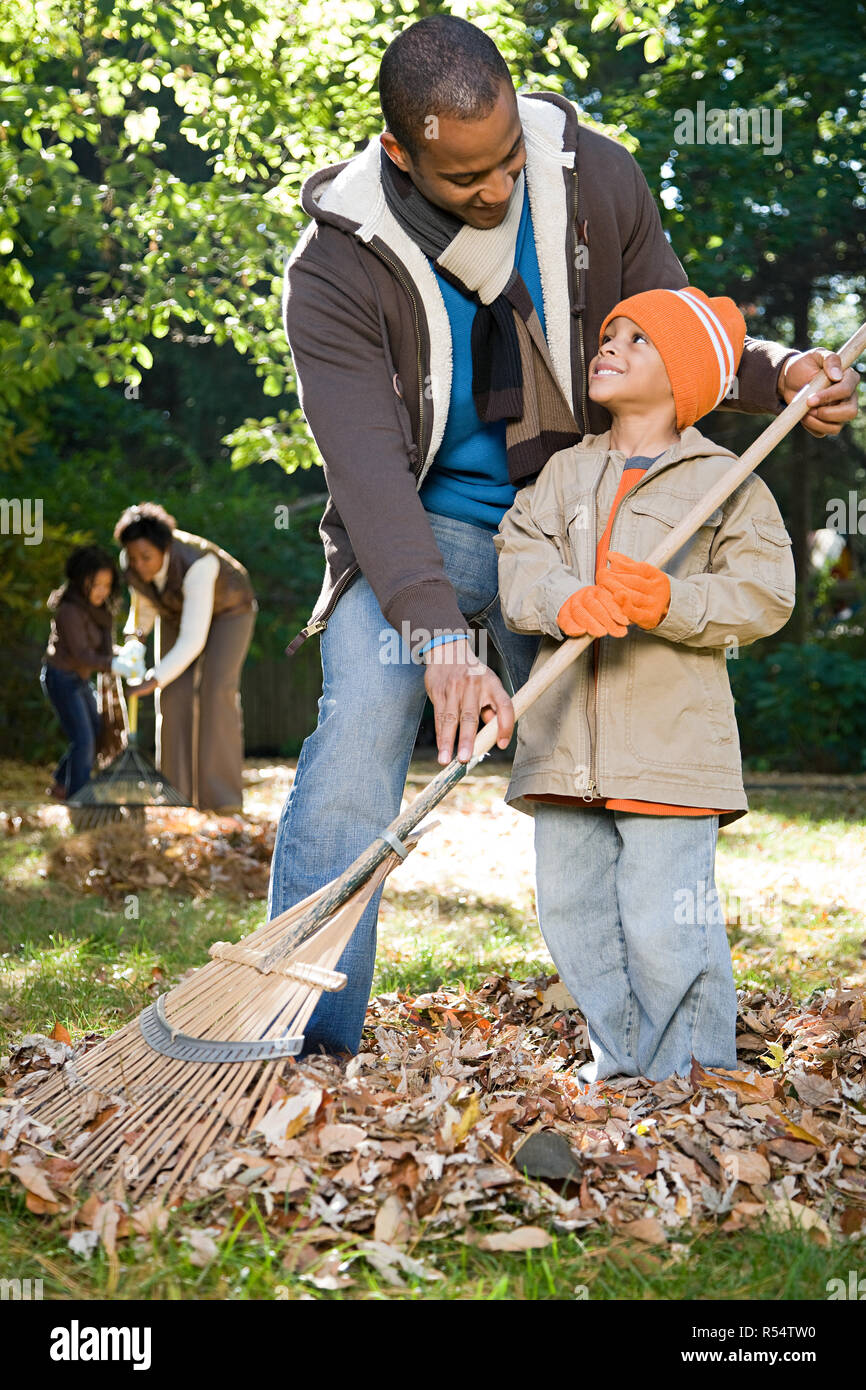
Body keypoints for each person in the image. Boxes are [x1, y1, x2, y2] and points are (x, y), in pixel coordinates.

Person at [268, 14, 861, 1058]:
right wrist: (440, 643)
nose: (498, 191)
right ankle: (305, 1041)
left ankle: (660, 1055)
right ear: (401, 155)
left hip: (584, 514)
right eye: (466, 180)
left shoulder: (588, 174)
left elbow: (675, 324)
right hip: (425, 533)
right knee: (358, 738)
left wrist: (780, 373)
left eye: (506, 162)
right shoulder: (333, 269)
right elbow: (366, 477)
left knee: (612, 777)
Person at [495, 286, 796, 1082]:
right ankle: (623, 1064)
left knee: (666, 923)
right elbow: (519, 555)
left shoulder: (727, 481)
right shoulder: (563, 473)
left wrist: (673, 602)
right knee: (575, 914)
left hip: (671, 749)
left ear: (687, 379)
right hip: (564, 749)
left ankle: (692, 1077)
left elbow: (765, 593)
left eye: (639, 340)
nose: (611, 345)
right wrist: (565, 597)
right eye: (609, 334)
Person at [113, 502, 257, 814]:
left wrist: (153, 677)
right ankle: (174, 797)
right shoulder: (132, 561)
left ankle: (222, 802)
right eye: (133, 558)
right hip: (175, 611)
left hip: (229, 611)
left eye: (146, 557)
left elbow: (193, 639)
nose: (139, 565)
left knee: (216, 692)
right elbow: (145, 605)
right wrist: (135, 639)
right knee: (172, 695)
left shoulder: (198, 565)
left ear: (165, 548)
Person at [42, 545, 134, 799]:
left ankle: (61, 783)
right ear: (81, 580)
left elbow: (100, 649)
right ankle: (80, 797)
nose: (102, 591)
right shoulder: (69, 611)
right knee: (84, 740)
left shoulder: (101, 611)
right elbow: (82, 653)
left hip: (80, 679)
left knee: (94, 732)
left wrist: (121, 654)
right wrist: (113, 664)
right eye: (96, 584)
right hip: (61, 678)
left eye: (107, 585)